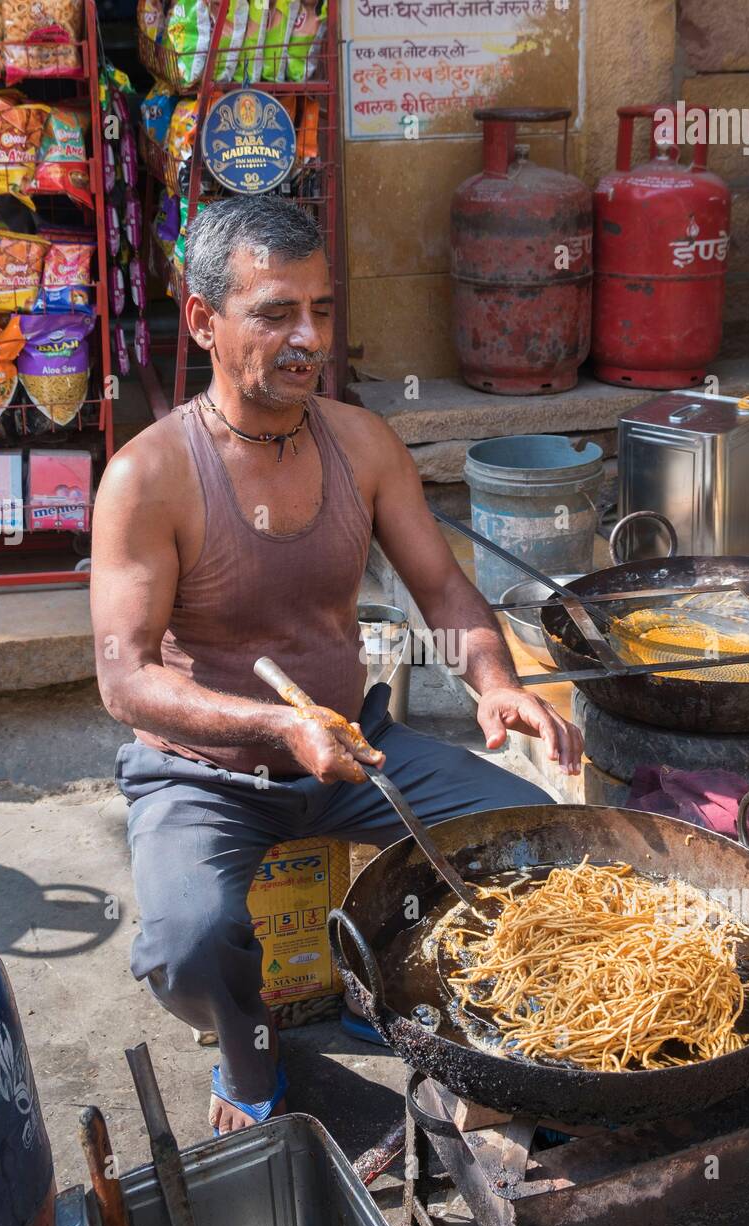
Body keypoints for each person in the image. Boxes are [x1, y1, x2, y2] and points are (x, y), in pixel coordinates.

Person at [91, 195, 583, 1135]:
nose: (307, 337)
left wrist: (497, 682)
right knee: (186, 945)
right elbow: (125, 679)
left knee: (539, 844)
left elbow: (442, 590)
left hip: (359, 753)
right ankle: (252, 1059)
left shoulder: (362, 444)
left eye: (320, 309)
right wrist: (278, 726)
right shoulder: (148, 476)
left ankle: (437, 1016)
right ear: (201, 321)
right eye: (275, 313)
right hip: (206, 775)